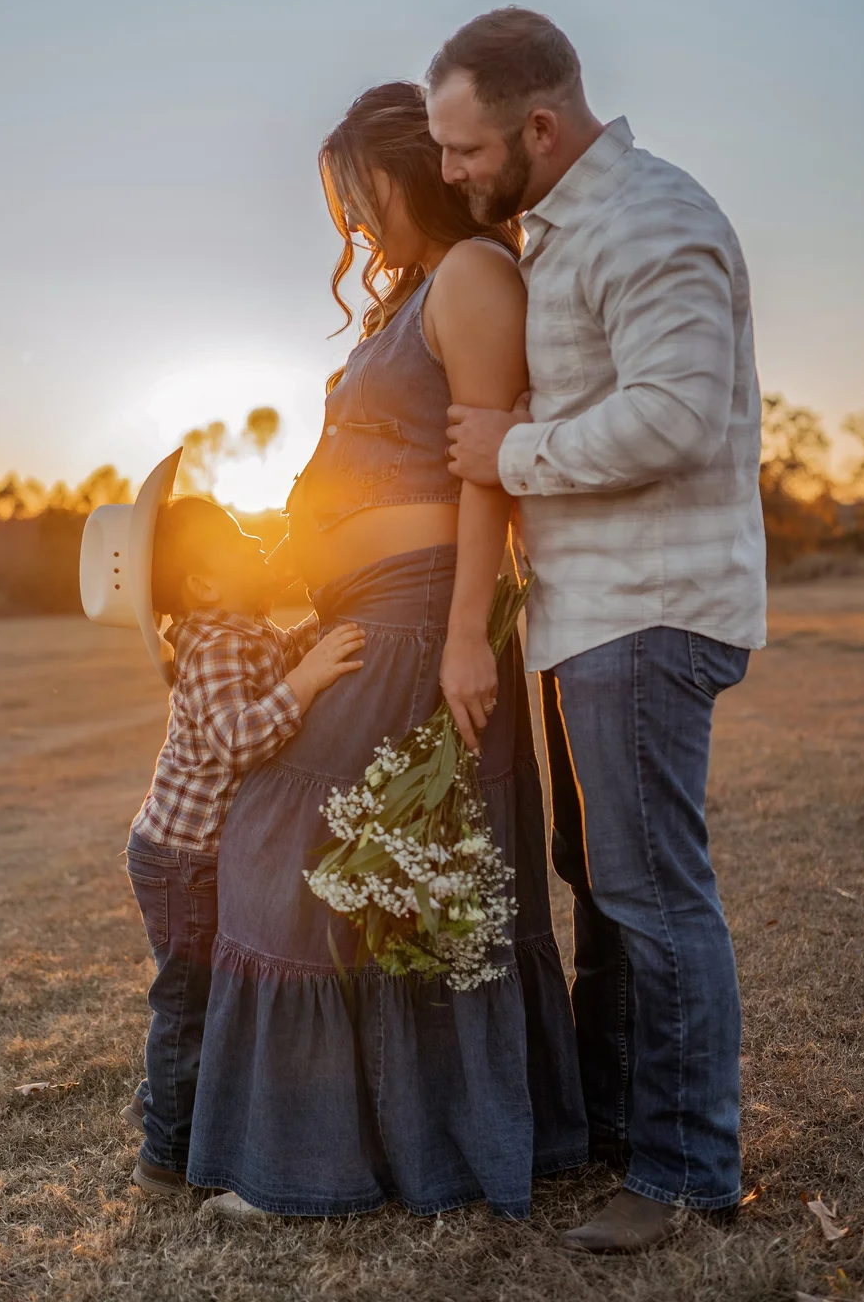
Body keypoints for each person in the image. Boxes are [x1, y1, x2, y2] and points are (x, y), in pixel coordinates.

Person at [186, 81, 588, 1220]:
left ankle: (318, 1155)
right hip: (368, 608)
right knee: (346, 863)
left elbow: (485, 467)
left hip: (425, 619)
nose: (353, 228)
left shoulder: (471, 273)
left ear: (410, 171)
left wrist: (466, 634)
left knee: (293, 841)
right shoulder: (404, 295)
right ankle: (346, 1143)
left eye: (359, 198)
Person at [430, 8, 767, 1252]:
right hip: (593, 617)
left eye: (464, 148)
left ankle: (685, 1175)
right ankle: (629, 1127)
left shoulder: (650, 218)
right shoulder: (562, 229)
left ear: (538, 124)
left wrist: (512, 450)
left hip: (651, 608)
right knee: (606, 886)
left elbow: (677, 416)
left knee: (652, 893)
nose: (451, 172)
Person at [124, 495, 365, 1195]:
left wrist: (319, 633)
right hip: (184, 863)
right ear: (201, 584)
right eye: (234, 538)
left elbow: (275, 652)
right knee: (188, 1002)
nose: (255, 542)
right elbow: (238, 740)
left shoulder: (240, 630)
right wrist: (310, 677)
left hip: (187, 857)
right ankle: (164, 1157)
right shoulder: (217, 644)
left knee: (197, 995)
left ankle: (176, 1117)